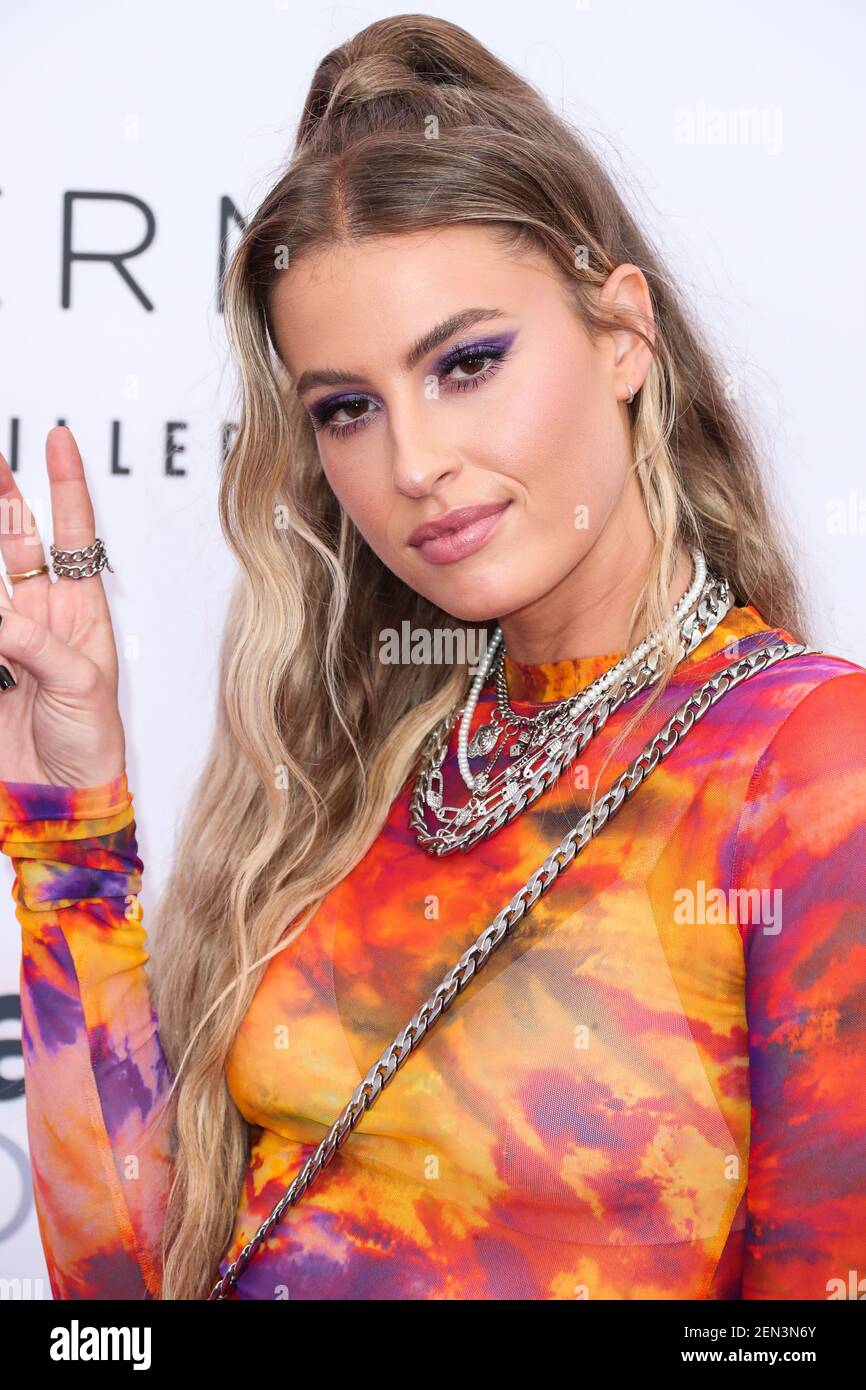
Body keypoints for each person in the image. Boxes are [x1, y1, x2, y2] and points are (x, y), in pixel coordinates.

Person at [1, 14, 865, 1303]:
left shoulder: (802, 764)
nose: (412, 463)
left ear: (623, 336)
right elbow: (126, 1299)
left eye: (467, 365)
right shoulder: (369, 768)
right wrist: (67, 827)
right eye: (346, 408)